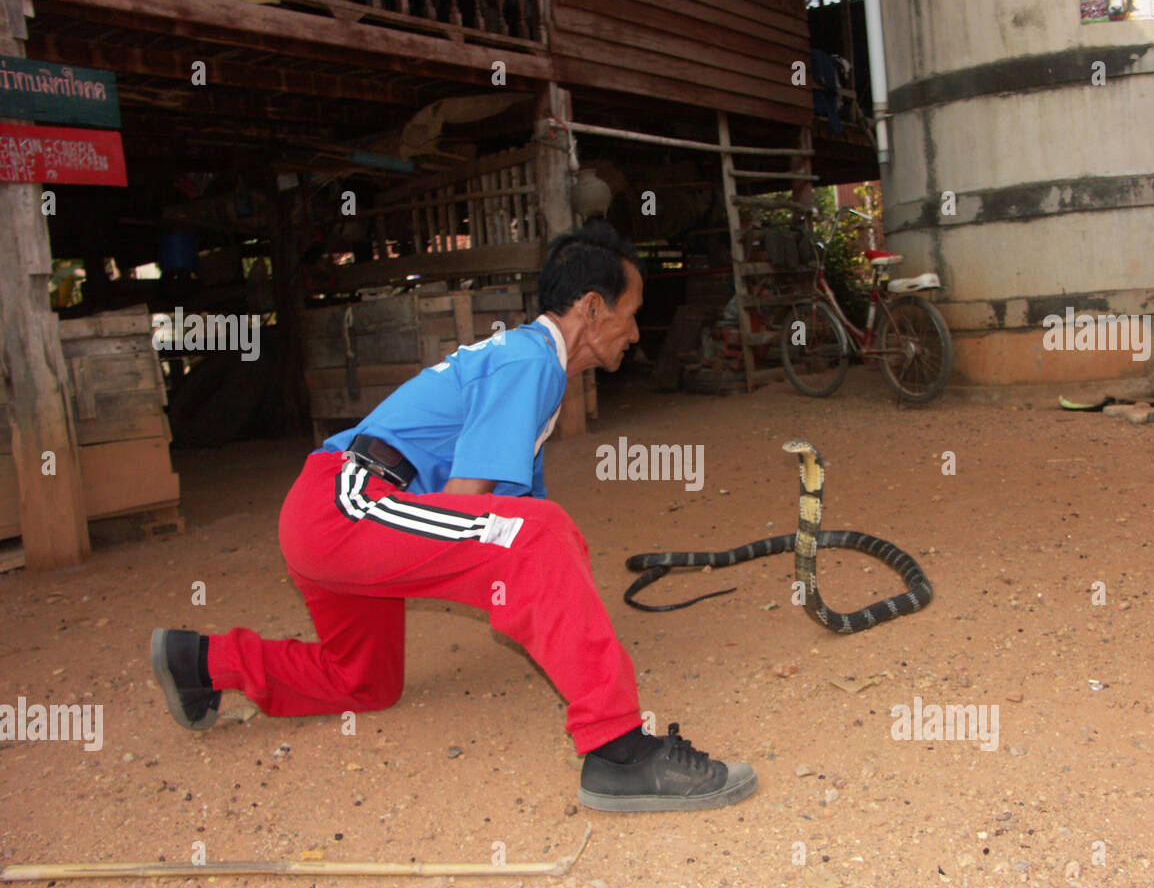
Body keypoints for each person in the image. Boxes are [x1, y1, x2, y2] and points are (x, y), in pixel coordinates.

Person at [150, 222, 756, 813]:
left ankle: (202, 662)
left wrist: (555, 620)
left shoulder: (529, 366)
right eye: (632, 310)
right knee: (540, 538)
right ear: (593, 308)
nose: (636, 330)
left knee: (364, 683)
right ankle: (620, 751)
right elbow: (480, 514)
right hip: (349, 507)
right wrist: (532, 588)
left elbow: (502, 515)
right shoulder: (529, 362)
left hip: (343, 517)